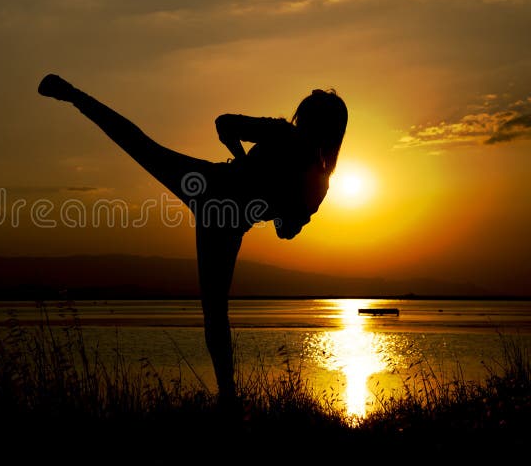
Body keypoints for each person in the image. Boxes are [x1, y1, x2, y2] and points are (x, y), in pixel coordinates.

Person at [37, 73, 347, 404]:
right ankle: (228, 397)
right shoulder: (319, 181)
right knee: (215, 311)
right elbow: (286, 230)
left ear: (308, 118)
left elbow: (224, 124)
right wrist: (268, 195)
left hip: (213, 190)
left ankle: (73, 95)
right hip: (227, 215)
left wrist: (247, 167)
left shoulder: (285, 137)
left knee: (141, 146)